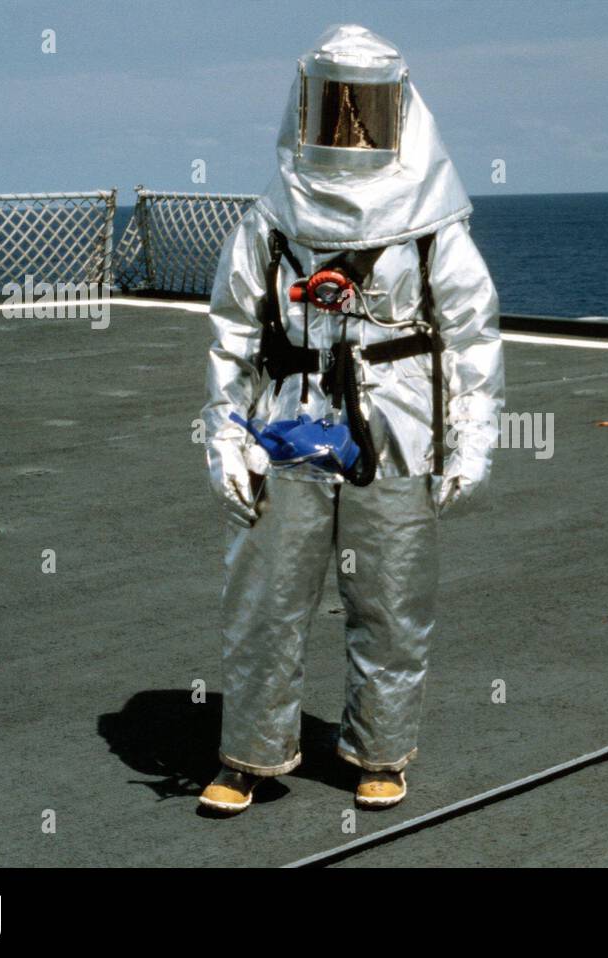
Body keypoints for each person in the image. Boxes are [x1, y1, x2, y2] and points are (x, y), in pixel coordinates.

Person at [197, 23, 504, 814]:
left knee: (393, 600)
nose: (350, 128)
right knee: (266, 597)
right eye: (335, 106)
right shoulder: (273, 218)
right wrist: (225, 435)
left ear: (399, 110)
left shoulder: (432, 221)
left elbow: (471, 331)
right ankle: (252, 753)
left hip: (398, 433)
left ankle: (379, 750)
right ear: (304, 107)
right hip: (286, 429)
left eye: (363, 108)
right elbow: (233, 329)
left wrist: (473, 439)